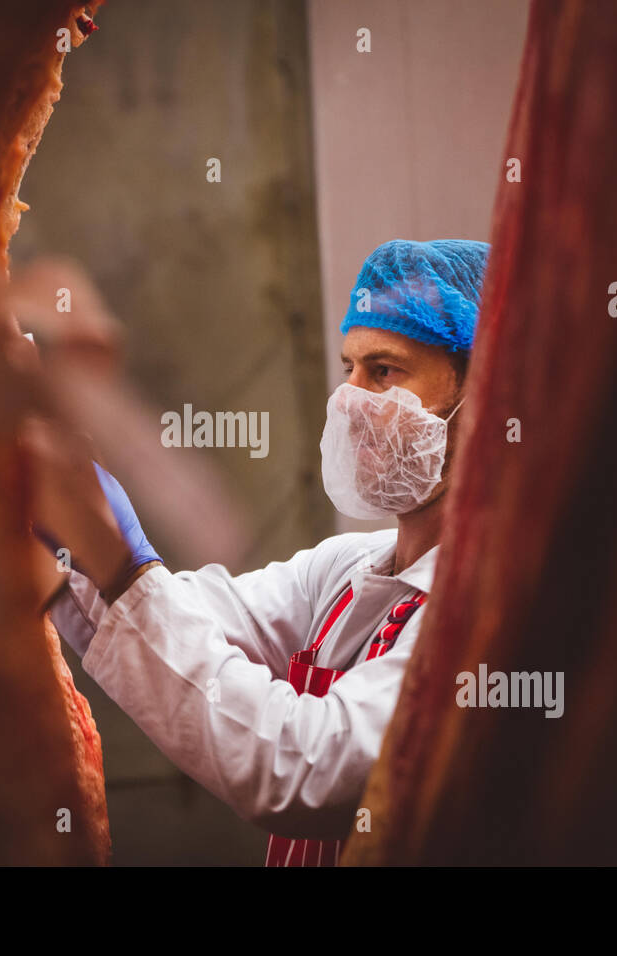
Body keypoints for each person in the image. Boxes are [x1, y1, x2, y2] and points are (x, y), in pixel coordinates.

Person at [34, 238, 490, 866]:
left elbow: (307, 771)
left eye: (384, 371)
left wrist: (119, 563)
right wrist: (67, 546)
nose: (349, 401)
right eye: (347, 368)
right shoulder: (345, 571)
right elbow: (179, 621)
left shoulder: (490, 610)